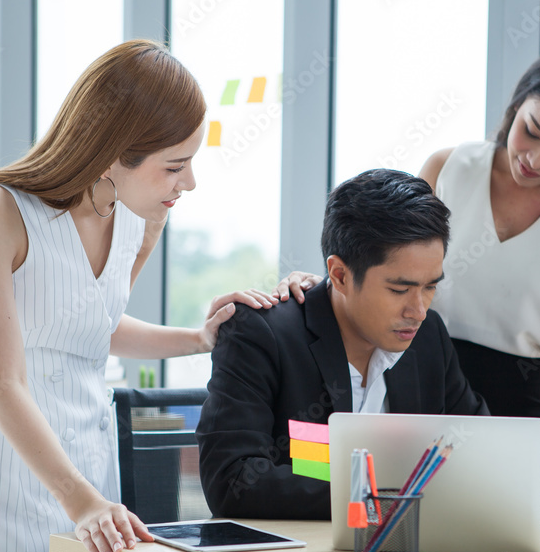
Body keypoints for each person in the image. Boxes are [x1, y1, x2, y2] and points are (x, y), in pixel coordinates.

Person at [0, 40, 277, 552]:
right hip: (0, 489)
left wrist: (199, 338)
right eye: (175, 166)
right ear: (112, 151)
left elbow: (91, 328)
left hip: (91, 487)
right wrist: (79, 500)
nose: (190, 182)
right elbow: (3, 381)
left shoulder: (132, 215)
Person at [278, 47, 540, 515]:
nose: (535, 159)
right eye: (531, 131)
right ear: (518, 103)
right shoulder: (449, 167)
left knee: (504, 534)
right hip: (420, 379)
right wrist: (328, 287)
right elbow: (386, 262)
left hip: (519, 403)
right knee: (392, 520)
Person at [197, 169, 489, 520]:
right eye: (399, 290)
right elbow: (232, 481)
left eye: (430, 287)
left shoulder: (428, 337)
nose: (419, 311)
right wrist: (382, 498)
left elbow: (480, 446)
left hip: (408, 548)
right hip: (296, 551)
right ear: (339, 275)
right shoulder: (261, 334)